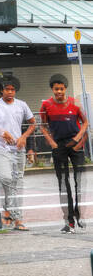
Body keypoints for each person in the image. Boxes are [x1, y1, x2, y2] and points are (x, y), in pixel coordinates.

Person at [39, 74, 89, 233]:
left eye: (61, 88)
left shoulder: (75, 103)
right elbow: (43, 126)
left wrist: (77, 139)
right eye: (56, 89)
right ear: (52, 90)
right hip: (58, 146)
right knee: (63, 183)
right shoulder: (46, 105)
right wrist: (52, 143)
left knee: (78, 182)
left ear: (65, 88)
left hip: (75, 145)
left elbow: (85, 122)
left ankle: (79, 216)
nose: (59, 91)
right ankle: (69, 221)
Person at [0, 81, 35, 229]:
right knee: (6, 178)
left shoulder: (22, 105)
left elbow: (33, 123)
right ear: (1, 91)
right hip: (0, 147)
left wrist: (24, 137)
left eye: (13, 90)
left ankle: (15, 217)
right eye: (7, 89)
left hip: (18, 148)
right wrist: (1, 132)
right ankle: (12, 213)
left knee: (17, 183)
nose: (10, 92)